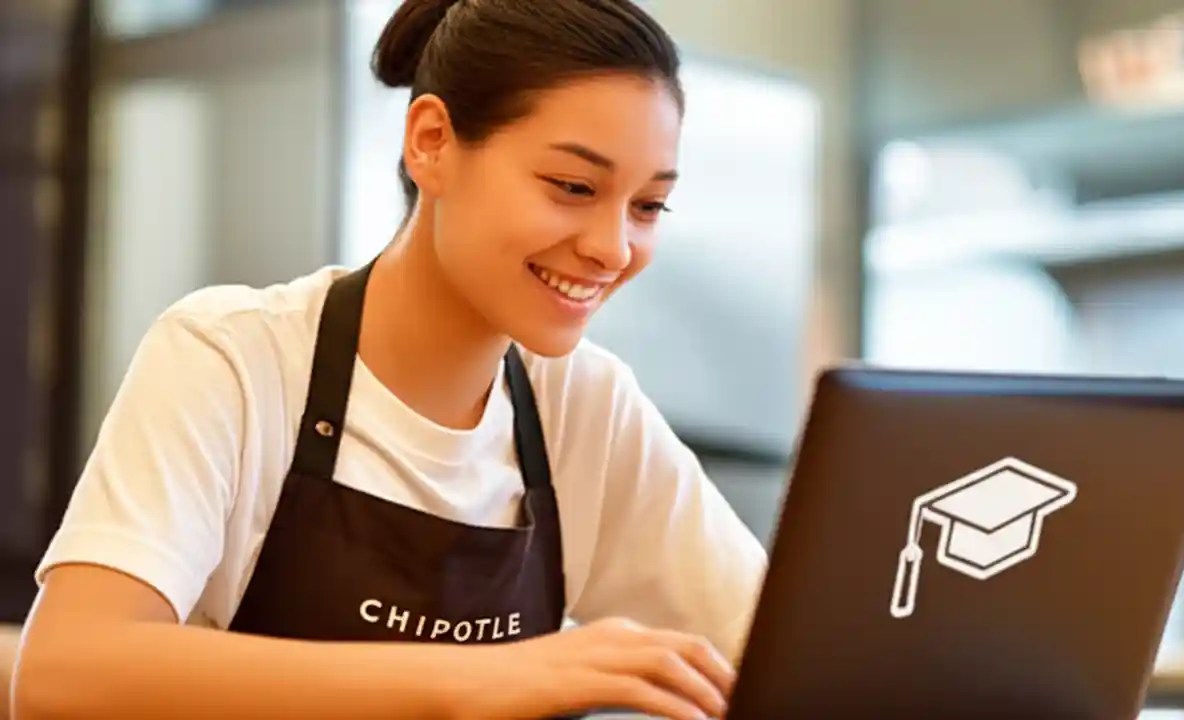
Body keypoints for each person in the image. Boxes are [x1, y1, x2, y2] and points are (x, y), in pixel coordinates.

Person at [11, 1, 768, 718]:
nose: (613, 247)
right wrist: (485, 679)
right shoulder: (236, 358)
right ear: (431, 142)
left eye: (647, 206)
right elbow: (66, 674)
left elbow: (786, 649)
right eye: (573, 187)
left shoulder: (584, 406)